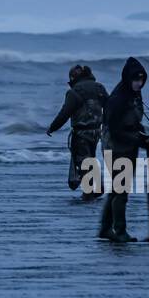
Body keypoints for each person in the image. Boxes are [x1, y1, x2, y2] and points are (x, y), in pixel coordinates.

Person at [99, 57, 149, 243]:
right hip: (114, 146)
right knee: (121, 191)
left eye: (141, 80)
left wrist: (142, 135)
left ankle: (105, 229)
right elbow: (115, 130)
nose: (139, 83)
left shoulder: (135, 94)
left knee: (117, 189)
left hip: (128, 145)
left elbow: (133, 122)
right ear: (127, 78)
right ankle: (120, 231)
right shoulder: (118, 98)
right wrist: (138, 141)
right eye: (135, 79)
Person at [46, 64, 108, 198]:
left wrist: (53, 127)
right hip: (96, 132)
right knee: (90, 159)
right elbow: (110, 107)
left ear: (73, 78)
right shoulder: (99, 87)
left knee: (84, 161)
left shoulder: (75, 92)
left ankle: (91, 191)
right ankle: (95, 188)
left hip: (81, 133)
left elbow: (65, 113)